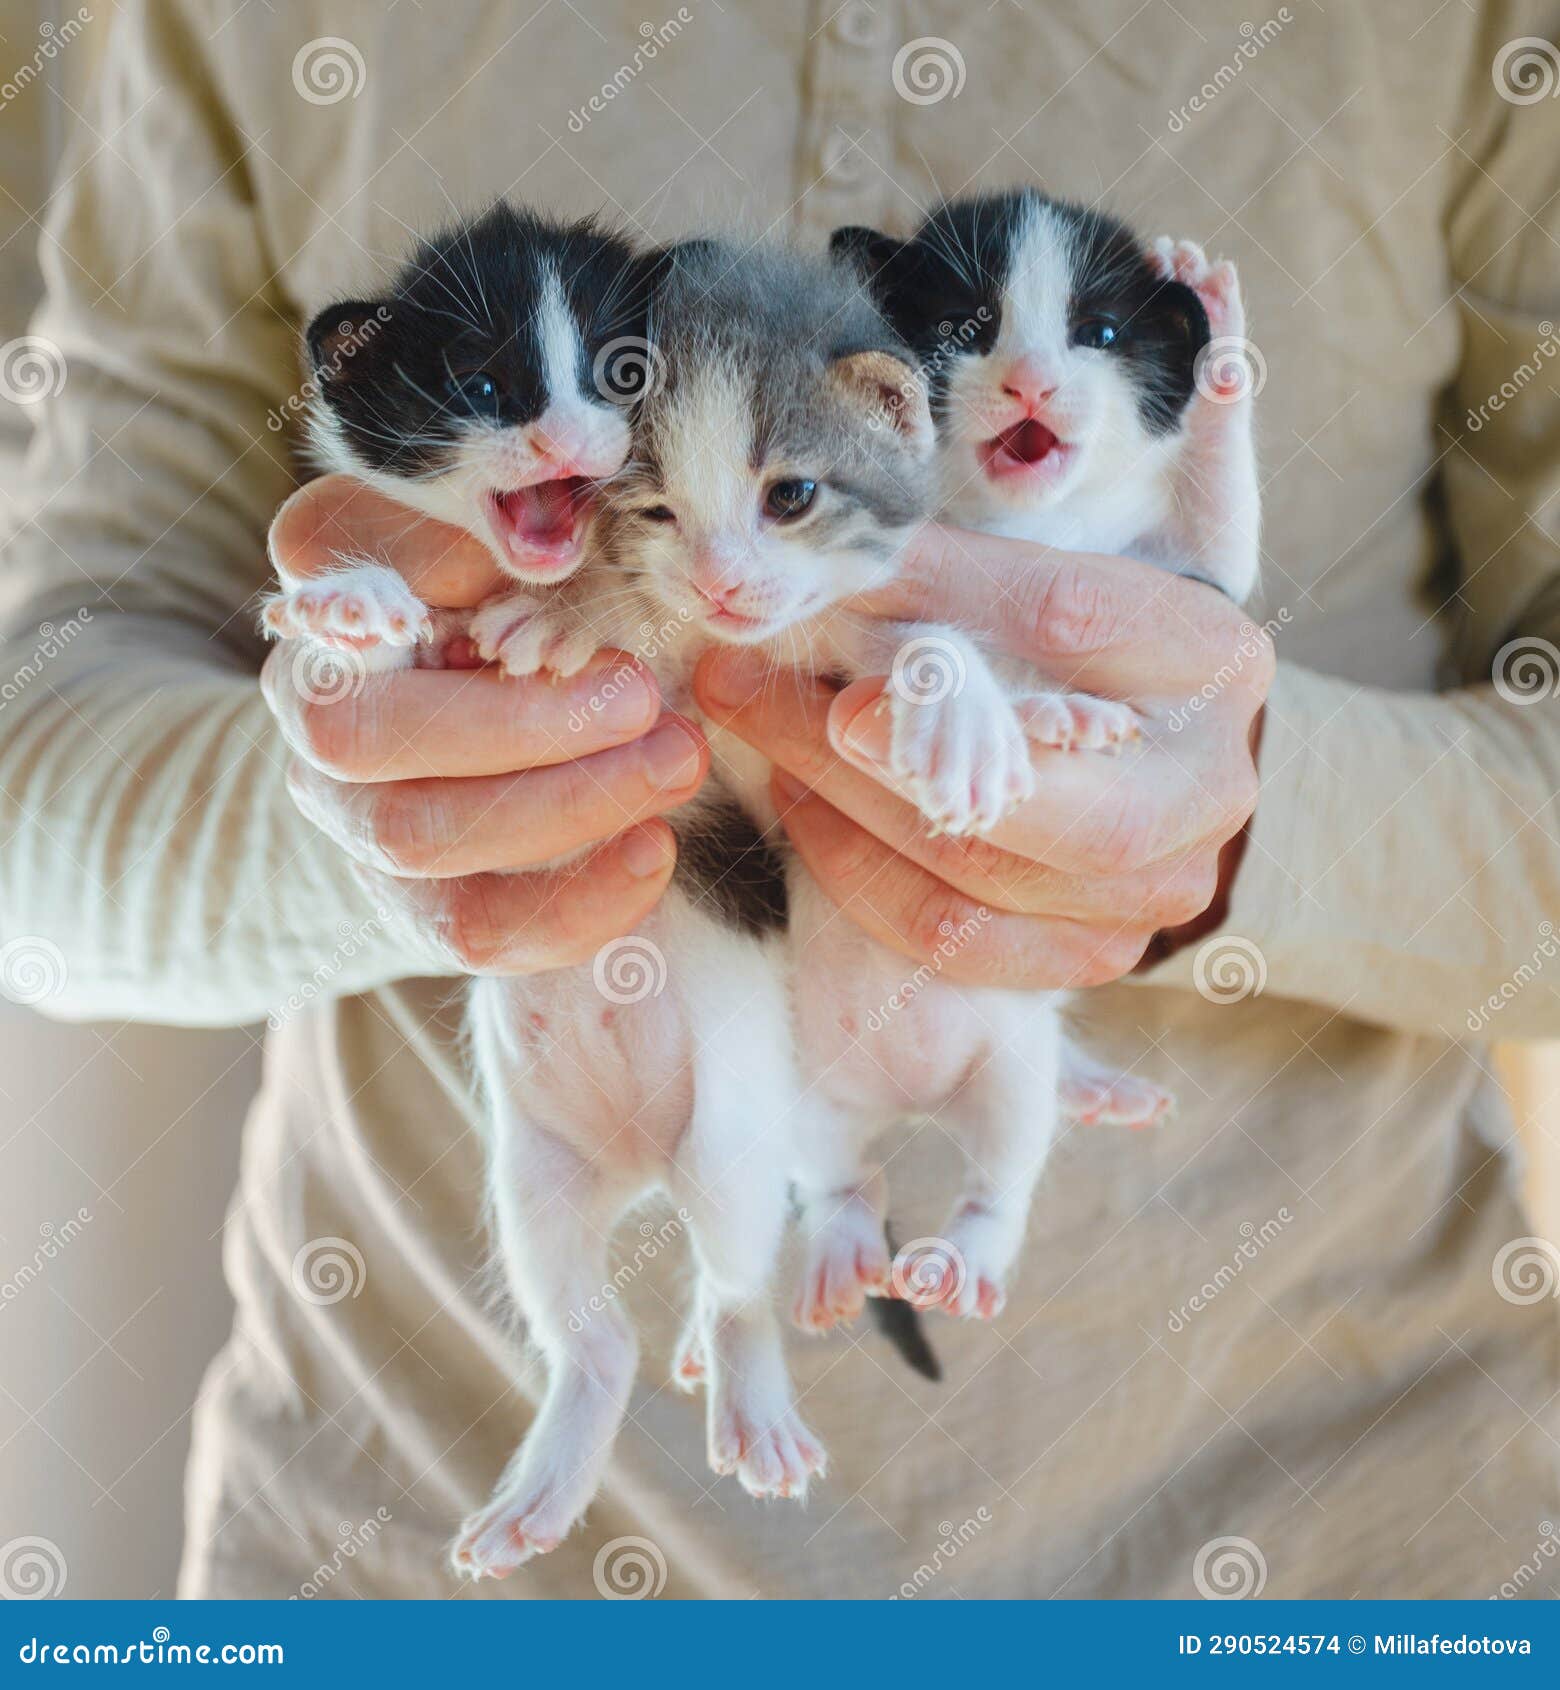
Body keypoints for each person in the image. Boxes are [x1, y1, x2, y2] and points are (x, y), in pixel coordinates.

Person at [3, 0, 1557, 1599]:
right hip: (407, 1555)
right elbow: (30, 771)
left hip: (1333, 1535)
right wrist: (412, 805)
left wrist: (1236, 826)